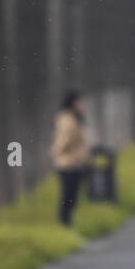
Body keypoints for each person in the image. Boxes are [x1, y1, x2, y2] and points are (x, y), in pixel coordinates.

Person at [50, 90, 90, 226]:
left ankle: (66, 224)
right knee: (68, 197)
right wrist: (57, 151)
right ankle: (64, 224)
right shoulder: (68, 120)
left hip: (73, 163)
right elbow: (64, 139)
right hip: (68, 164)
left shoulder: (72, 118)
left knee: (71, 197)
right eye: (80, 102)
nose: (82, 105)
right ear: (73, 103)